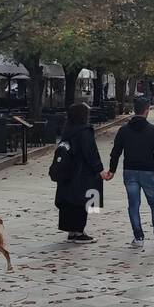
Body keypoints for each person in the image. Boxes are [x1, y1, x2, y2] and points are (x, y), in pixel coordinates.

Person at [103, 96, 154, 249]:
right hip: (148, 171)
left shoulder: (124, 130)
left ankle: (138, 237)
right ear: (147, 110)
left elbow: (115, 152)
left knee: (133, 204)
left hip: (130, 171)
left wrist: (112, 170)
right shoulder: (153, 130)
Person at [55, 102, 105, 243]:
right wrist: (99, 169)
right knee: (81, 202)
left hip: (67, 173)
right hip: (81, 173)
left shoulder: (67, 131)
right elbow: (91, 152)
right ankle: (79, 232)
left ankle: (71, 232)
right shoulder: (85, 131)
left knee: (69, 202)